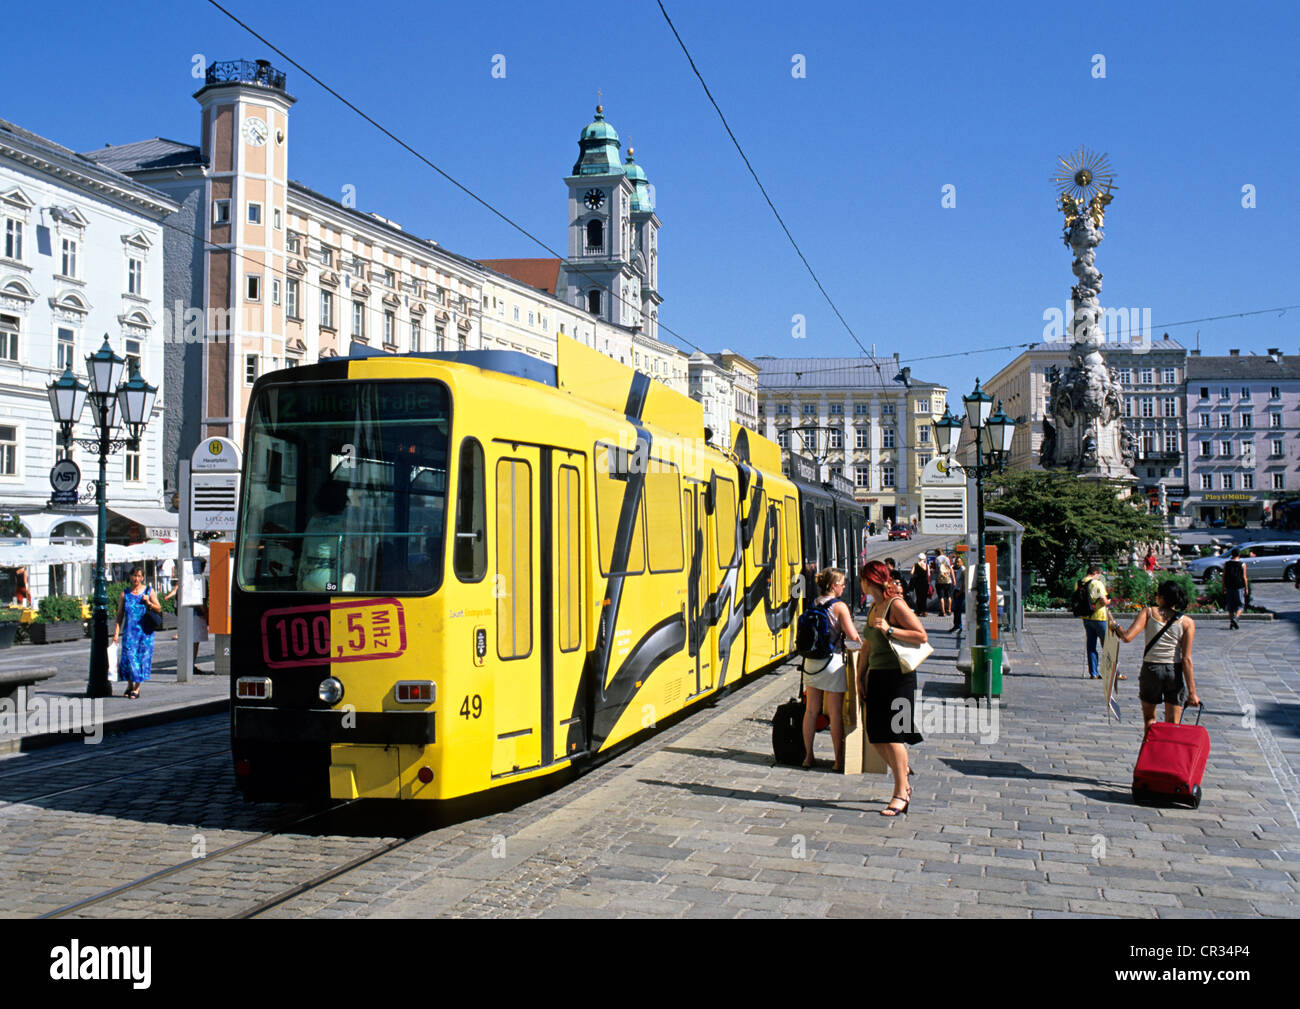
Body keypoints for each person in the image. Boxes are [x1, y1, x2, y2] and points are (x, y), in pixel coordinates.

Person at [858, 560, 926, 815]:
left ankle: (901, 792)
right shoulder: (873, 607)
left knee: (893, 734)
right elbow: (867, 646)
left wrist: (890, 630)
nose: (860, 583)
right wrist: (859, 676)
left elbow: (921, 635)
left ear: (869, 581)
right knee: (875, 735)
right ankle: (903, 772)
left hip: (899, 677)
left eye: (862, 579)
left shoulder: (895, 605)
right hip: (876, 675)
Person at [1111, 580, 1200, 734]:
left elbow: (1127, 637)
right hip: (1174, 670)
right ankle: (1168, 749)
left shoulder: (1148, 613)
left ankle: (1149, 748)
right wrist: (1192, 693)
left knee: (1150, 720)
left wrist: (1115, 626)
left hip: (1151, 669)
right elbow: (1186, 659)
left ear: (1162, 597)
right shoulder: (1187, 622)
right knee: (1173, 723)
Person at [800, 568, 862, 772]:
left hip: (811, 663)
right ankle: (838, 760)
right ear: (834, 586)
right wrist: (863, 645)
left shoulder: (813, 603)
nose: (844, 587)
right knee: (835, 714)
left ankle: (808, 757)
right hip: (832, 663)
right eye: (842, 584)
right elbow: (852, 635)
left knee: (811, 711)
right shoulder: (839, 606)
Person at [114, 566, 161, 699]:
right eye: (134, 575)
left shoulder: (148, 591)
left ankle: (137, 688)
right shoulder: (125, 594)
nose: (136, 578)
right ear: (130, 576)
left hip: (145, 633)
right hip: (129, 633)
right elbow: (119, 614)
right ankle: (130, 685)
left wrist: (148, 602)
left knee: (142, 659)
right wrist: (116, 633)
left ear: (142, 578)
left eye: (139, 576)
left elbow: (159, 608)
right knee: (129, 658)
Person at [1078, 565, 1109, 680]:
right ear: (1095, 573)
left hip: (1086, 617)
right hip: (1099, 617)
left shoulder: (1080, 583)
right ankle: (1114, 672)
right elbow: (1103, 601)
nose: (1100, 577)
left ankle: (1094, 673)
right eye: (1099, 574)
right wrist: (1109, 601)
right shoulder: (1096, 583)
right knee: (1108, 646)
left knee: (1091, 645)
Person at [1222, 548, 1247, 630]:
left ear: (1231, 555)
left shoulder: (1227, 564)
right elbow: (1244, 577)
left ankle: (1231, 623)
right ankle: (1236, 618)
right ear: (1239, 555)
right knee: (1240, 605)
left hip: (1229, 586)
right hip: (1239, 586)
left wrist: (1223, 587)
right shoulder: (1242, 564)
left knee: (1230, 606)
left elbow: (1224, 576)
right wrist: (1246, 588)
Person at [934, 550, 954, 619]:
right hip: (948, 580)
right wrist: (954, 579)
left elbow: (934, 570)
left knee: (941, 597)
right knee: (949, 596)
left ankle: (943, 612)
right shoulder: (947, 559)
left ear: (936, 553)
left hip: (939, 581)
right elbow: (951, 569)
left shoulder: (936, 559)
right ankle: (949, 610)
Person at [950, 554, 966, 633]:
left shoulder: (963, 570)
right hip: (957, 590)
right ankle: (956, 625)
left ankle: (958, 626)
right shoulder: (959, 569)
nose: (957, 563)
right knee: (956, 610)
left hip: (960, 592)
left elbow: (963, 583)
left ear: (962, 562)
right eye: (956, 562)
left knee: (957, 609)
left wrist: (960, 592)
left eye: (958, 562)